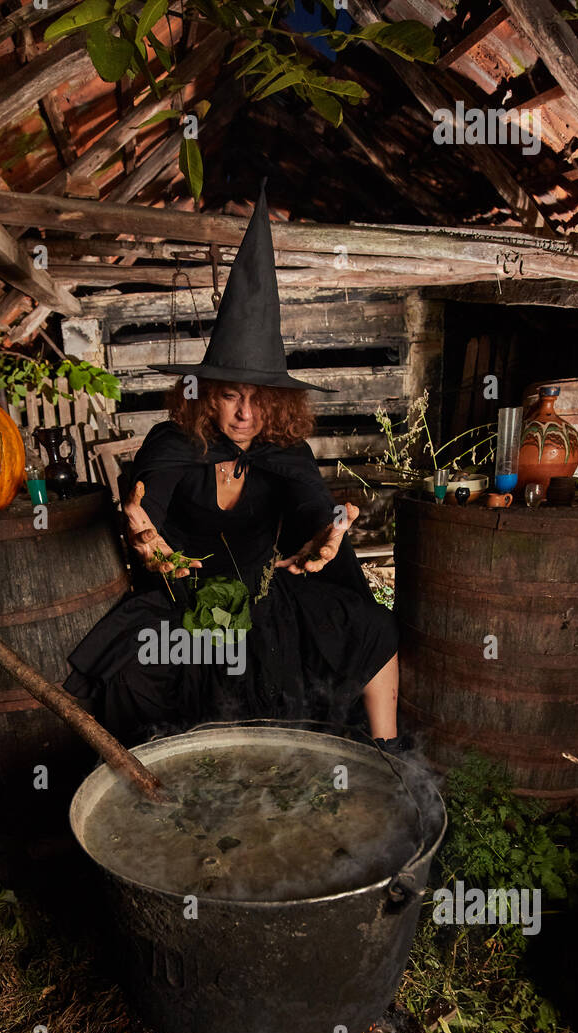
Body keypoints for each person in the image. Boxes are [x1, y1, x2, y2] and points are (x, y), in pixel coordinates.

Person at [64, 185, 401, 751]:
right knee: (136, 667)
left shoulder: (283, 450)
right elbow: (148, 507)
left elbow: (313, 512)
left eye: (260, 397)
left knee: (370, 628)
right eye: (230, 396)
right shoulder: (172, 442)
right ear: (203, 395)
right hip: (185, 599)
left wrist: (327, 536)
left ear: (279, 402)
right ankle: (162, 776)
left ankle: (389, 752)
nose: (246, 413)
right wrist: (144, 536)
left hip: (266, 596)